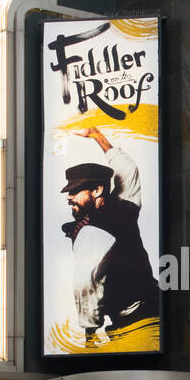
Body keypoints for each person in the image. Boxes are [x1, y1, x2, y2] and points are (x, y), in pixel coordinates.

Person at [59, 128, 160, 347]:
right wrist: (98, 137)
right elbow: (128, 171)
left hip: (135, 324)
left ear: (97, 190)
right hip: (155, 310)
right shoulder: (124, 205)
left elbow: (85, 283)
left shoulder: (92, 232)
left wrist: (89, 334)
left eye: (76, 191)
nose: (69, 197)